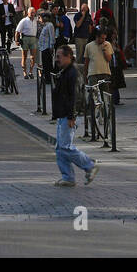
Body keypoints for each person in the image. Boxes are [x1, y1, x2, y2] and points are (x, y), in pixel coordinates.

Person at [51, 45, 99, 187]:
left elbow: (75, 96)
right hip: (63, 114)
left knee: (64, 146)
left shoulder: (73, 73)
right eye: (56, 56)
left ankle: (90, 165)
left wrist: (72, 116)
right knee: (60, 148)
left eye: (59, 56)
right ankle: (68, 177)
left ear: (68, 57)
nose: (56, 59)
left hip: (69, 115)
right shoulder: (65, 71)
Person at [84, 25, 114, 102]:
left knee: (105, 95)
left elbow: (109, 59)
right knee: (93, 95)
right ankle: (91, 108)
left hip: (105, 73)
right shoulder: (89, 46)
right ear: (96, 37)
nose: (103, 40)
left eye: (104, 38)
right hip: (93, 74)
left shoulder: (107, 45)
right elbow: (86, 62)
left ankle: (105, 108)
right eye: (101, 38)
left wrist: (105, 51)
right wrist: (85, 75)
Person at [16, 7, 39, 79]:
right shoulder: (24, 20)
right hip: (25, 38)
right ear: (28, 13)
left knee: (33, 57)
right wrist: (16, 40)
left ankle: (31, 72)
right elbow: (17, 31)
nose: (32, 14)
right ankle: (25, 72)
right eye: (31, 12)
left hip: (33, 38)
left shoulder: (36, 20)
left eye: (33, 12)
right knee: (24, 56)